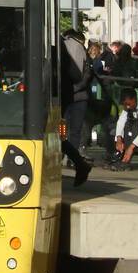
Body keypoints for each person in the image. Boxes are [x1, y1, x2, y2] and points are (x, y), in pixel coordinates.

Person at [60, 27, 93, 187]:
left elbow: (77, 75)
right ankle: (79, 164)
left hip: (72, 96)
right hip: (69, 95)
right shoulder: (76, 47)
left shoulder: (70, 46)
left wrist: (69, 89)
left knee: (61, 132)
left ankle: (78, 163)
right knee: (60, 133)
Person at [108, 88, 138, 169]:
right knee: (116, 128)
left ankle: (126, 159)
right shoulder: (127, 107)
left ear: (134, 99)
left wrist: (131, 147)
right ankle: (118, 155)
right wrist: (119, 139)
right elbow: (121, 121)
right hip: (137, 123)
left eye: (129, 104)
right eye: (125, 104)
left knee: (136, 125)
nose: (127, 107)